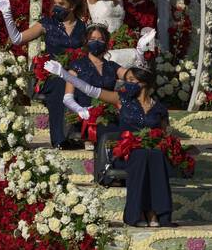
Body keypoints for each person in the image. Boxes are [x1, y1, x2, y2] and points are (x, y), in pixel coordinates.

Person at [51, 64, 174, 227]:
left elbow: (165, 133)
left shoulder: (159, 108)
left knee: (156, 154)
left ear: (143, 82)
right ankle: (138, 213)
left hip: (151, 150)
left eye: (131, 80)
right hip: (126, 151)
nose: (126, 83)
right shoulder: (121, 99)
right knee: (142, 155)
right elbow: (90, 90)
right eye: (126, 80)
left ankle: (156, 212)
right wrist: (64, 74)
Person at [0, 0, 90, 148]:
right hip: (52, 74)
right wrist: (7, 14)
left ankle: (78, 134)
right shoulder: (47, 23)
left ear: (72, 6)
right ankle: (60, 140)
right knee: (60, 84)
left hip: (75, 72)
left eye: (61, 4)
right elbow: (17, 39)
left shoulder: (83, 28)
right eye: (55, 3)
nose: (56, 7)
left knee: (85, 82)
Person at [65, 23, 120, 146]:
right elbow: (67, 97)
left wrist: (140, 55)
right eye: (92, 39)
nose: (96, 42)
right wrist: (80, 110)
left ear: (106, 43)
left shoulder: (111, 66)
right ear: (86, 41)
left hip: (108, 114)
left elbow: (132, 76)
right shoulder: (77, 65)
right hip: (85, 116)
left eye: (100, 40)